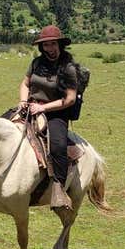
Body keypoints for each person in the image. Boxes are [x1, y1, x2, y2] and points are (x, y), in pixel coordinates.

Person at [18, 25, 78, 211]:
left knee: (58, 145)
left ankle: (59, 188)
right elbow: (25, 83)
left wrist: (42, 107)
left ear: (59, 44)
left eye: (53, 44)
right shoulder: (36, 63)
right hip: (31, 106)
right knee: (2, 126)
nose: (50, 49)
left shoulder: (68, 68)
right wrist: (22, 101)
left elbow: (69, 99)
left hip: (55, 112)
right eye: (46, 45)